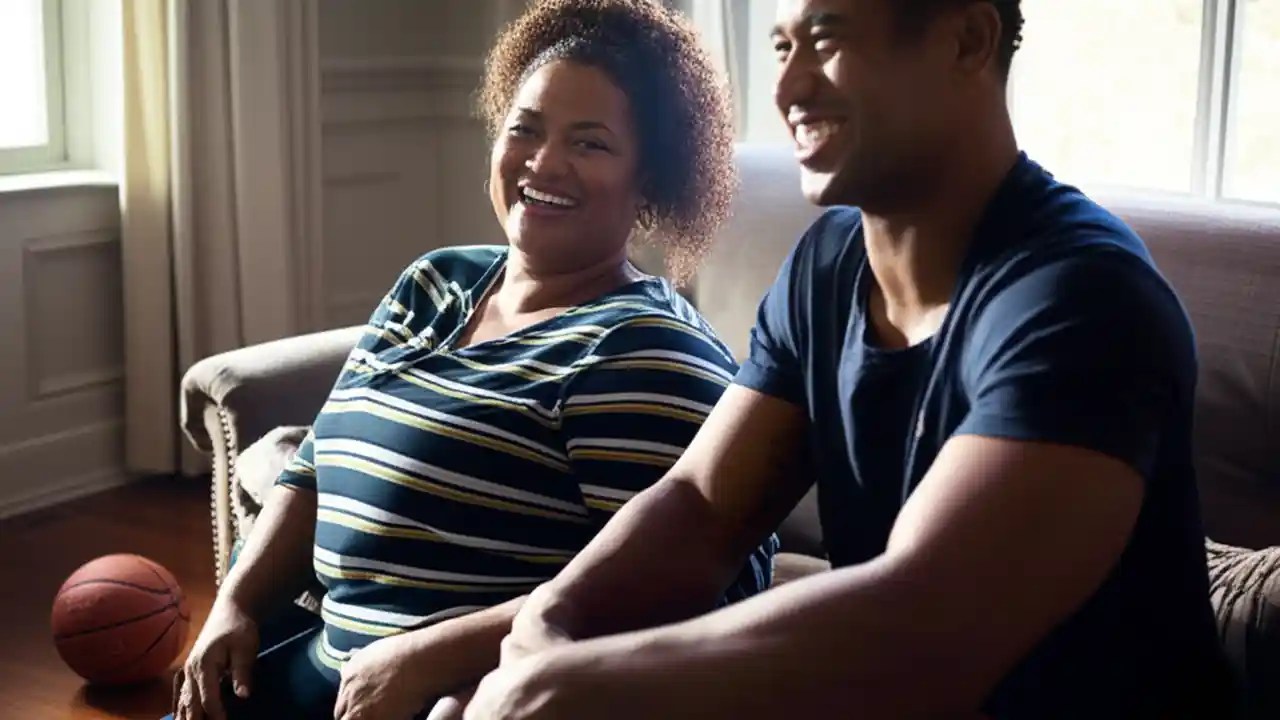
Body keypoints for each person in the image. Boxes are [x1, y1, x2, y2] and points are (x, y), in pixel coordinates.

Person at [460, 0, 1236, 718]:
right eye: (782, 45)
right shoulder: (828, 261)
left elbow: (924, 627)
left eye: (825, 42)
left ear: (967, 40)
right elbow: (701, 507)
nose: (790, 86)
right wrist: (546, 623)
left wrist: (578, 686)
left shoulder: (1082, 299)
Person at [169, 1, 777, 718]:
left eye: (590, 143)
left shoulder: (645, 350)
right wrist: (233, 605)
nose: (544, 162)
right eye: (525, 128)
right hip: (309, 662)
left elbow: (683, 590)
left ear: (650, 180)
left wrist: (439, 661)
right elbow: (312, 467)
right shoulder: (436, 282)